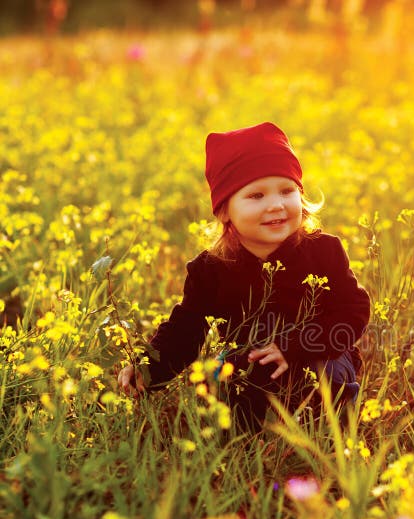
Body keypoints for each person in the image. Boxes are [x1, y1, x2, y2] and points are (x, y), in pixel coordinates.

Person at [117, 121, 371, 429]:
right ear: (225, 211)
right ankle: (250, 431)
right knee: (232, 389)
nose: (276, 204)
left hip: (317, 352)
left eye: (287, 190)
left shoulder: (323, 251)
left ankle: (328, 426)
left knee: (329, 380)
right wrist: (147, 370)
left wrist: (295, 346)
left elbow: (353, 310)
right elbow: (186, 329)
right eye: (256, 196)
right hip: (250, 359)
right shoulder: (210, 270)